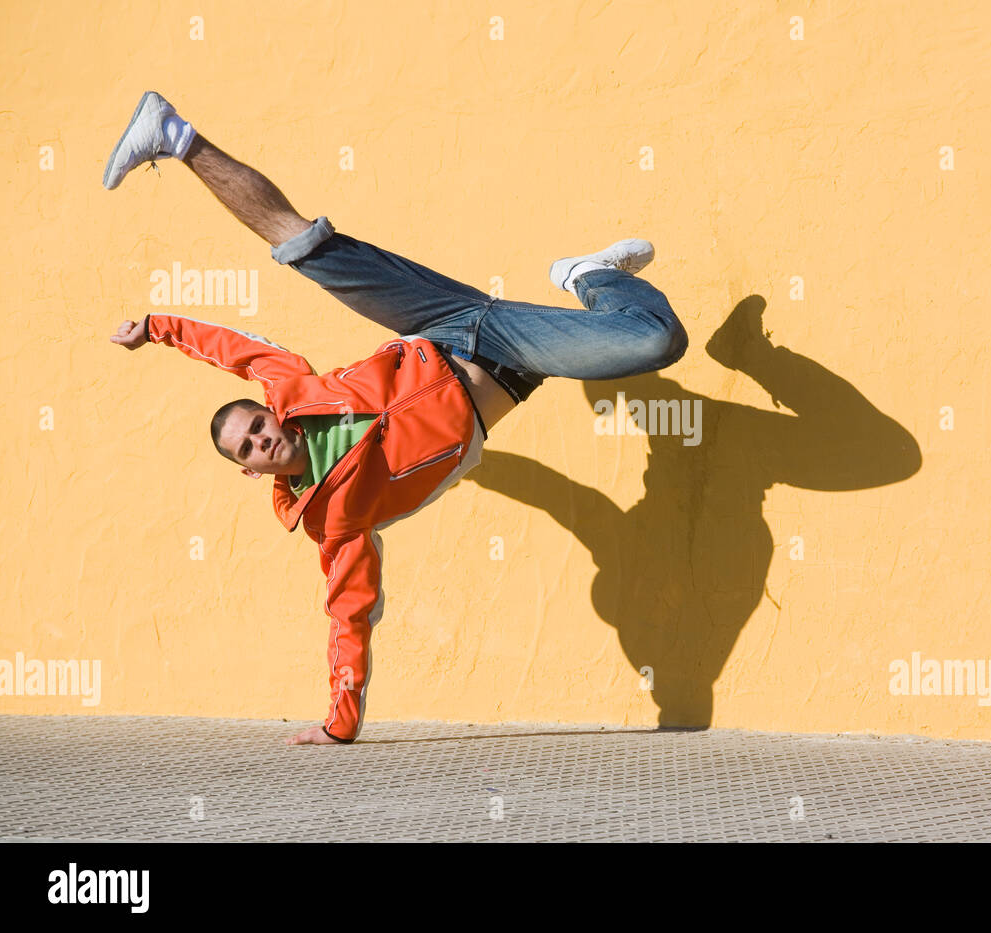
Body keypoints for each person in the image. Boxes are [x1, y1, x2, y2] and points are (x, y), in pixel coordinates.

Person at [104, 91, 688, 746]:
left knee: (301, 246)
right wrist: (340, 721)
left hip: (435, 324)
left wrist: (157, 328)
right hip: (508, 365)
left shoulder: (290, 387)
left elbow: (234, 352)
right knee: (655, 341)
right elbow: (348, 614)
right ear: (249, 469)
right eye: (250, 446)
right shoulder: (335, 520)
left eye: (257, 425)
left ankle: (174, 135)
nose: (263, 438)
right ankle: (593, 275)